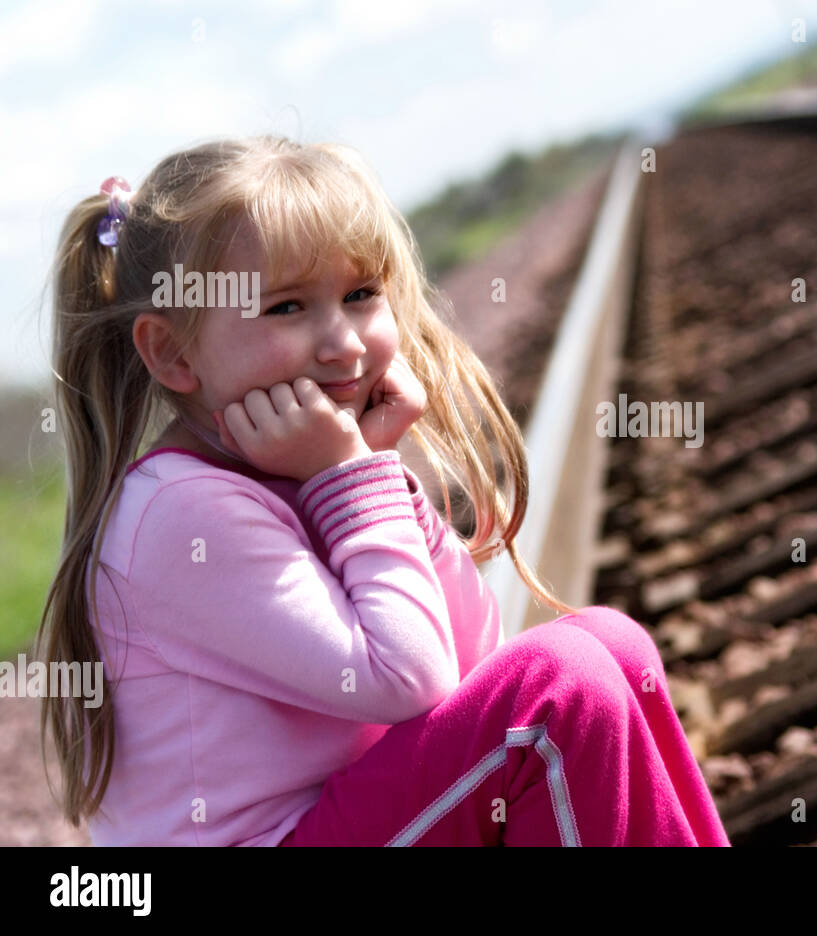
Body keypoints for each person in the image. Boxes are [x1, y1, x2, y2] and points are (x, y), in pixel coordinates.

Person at [36, 136, 730, 846]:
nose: (342, 343)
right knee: (561, 689)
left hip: (338, 822)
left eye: (361, 294)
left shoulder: (295, 472)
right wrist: (352, 477)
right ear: (174, 353)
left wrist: (375, 466)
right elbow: (412, 679)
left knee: (609, 643)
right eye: (286, 308)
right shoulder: (183, 515)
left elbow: (473, 655)